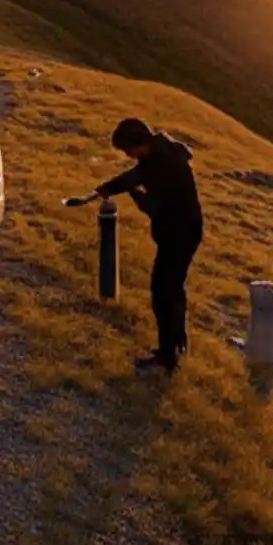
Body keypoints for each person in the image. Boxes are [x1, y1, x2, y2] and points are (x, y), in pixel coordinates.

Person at [65, 118, 203, 373]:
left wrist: (134, 194)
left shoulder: (163, 165)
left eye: (127, 150)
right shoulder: (160, 152)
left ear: (137, 144)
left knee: (163, 292)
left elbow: (153, 205)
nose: (127, 155)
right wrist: (102, 190)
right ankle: (176, 340)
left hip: (179, 233)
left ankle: (166, 358)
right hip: (184, 231)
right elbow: (134, 176)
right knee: (173, 288)